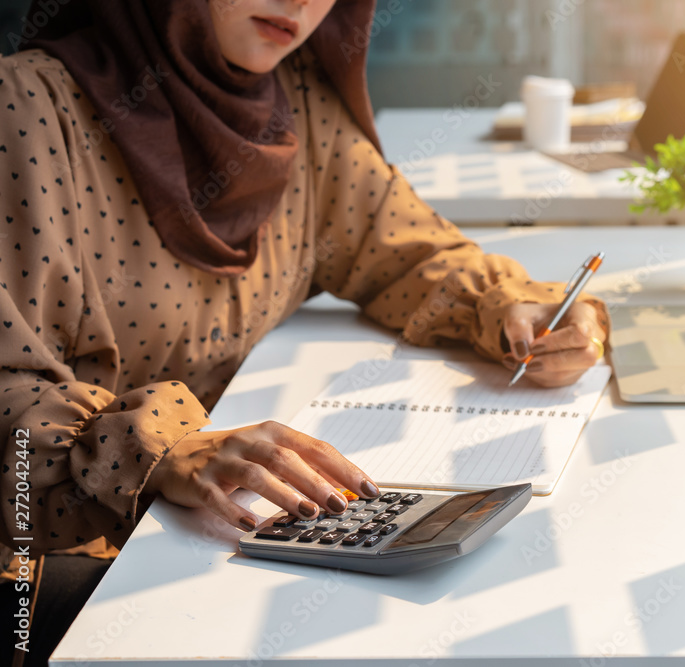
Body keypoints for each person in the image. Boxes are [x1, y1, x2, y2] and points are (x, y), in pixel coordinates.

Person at [0, 0, 609, 662]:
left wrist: (515, 306)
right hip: (55, 566)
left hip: (219, 531)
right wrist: (162, 448)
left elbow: (409, 250)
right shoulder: (24, 110)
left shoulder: (296, 106)